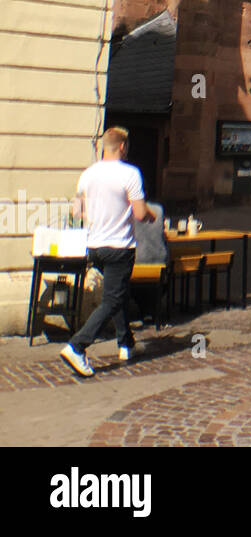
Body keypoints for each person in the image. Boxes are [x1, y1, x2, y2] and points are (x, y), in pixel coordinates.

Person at [61, 128, 156, 377]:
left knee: (119, 293)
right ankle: (77, 346)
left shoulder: (88, 174)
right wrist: (151, 215)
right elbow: (139, 213)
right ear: (122, 146)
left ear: (104, 146)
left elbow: (76, 212)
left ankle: (126, 344)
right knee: (113, 299)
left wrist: (96, 215)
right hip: (119, 247)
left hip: (95, 246)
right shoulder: (130, 173)